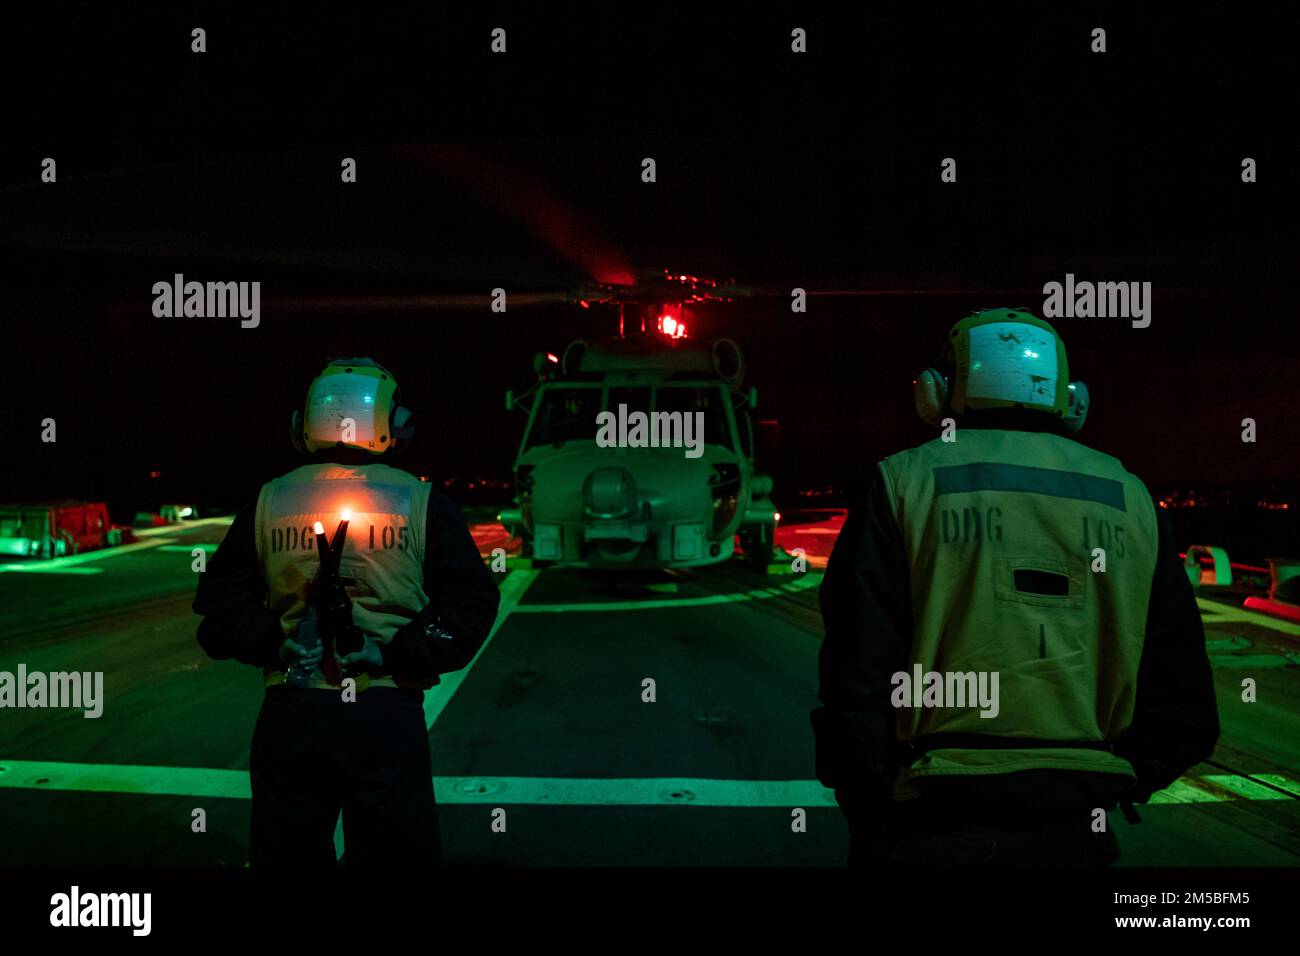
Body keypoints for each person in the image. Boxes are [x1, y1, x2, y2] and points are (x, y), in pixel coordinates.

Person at [813, 308, 1219, 865]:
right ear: (1068, 396)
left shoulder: (902, 481)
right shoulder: (1131, 496)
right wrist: (1116, 777)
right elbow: (1184, 703)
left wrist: (873, 794)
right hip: (1077, 823)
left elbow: (856, 665)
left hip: (927, 814)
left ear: (939, 392)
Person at [193, 357, 500, 866]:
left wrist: (274, 643)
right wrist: (393, 655)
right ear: (391, 424)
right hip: (385, 714)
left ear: (303, 424)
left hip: (292, 714)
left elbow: (218, 610)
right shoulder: (420, 501)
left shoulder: (269, 500)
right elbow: (470, 603)